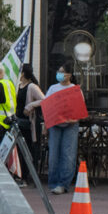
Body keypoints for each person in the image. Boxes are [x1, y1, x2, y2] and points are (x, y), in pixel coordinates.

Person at [44, 63, 80, 194]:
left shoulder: (75, 89)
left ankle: (63, 184)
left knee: (68, 154)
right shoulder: (53, 88)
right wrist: (46, 125)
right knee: (53, 154)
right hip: (55, 125)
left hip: (70, 124)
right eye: (59, 71)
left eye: (62, 72)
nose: (59, 74)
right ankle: (53, 182)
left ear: (69, 75)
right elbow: (47, 106)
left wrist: (73, 119)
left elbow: (79, 109)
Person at [14, 63, 44, 182]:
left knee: (27, 148)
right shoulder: (20, 85)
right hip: (19, 121)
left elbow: (44, 99)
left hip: (29, 123)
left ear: (23, 73)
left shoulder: (32, 87)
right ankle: (20, 174)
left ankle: (26, 176)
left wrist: (30, 106)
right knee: (19, 148)